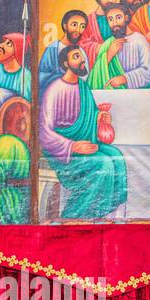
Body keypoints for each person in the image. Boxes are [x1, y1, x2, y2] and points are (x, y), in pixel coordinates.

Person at [39, 45, 127, 219]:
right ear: (66, 63)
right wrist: (72, 146)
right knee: (103, 164)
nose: (82, 60)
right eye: (76, 56)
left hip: (83, 142)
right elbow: (44, 131)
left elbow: (89, 114)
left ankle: (106, 213)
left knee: (117, 156)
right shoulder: (54, 90)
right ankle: (74, 215)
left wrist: (99, 117)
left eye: (82, 56)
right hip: (61, 151)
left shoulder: (83, 87)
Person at [88, 3, 150, 89]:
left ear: (126, 18)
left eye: (118, 17)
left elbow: (148, 71)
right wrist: (109, 54)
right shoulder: (108, 43)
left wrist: (125, 79)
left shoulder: (139, 40)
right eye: (110, 19)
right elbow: (94, 76)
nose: (114, 23)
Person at [39, 10, 89, 95]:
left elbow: (85, 77)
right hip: (55, 95)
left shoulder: (81, 51)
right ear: (65, 26)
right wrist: (63, 80)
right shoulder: (53, 49)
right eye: (74, 25)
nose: (78, 30)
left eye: (82, 26)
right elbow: (42, 76)